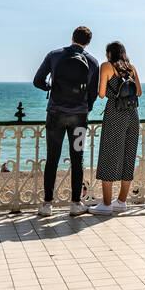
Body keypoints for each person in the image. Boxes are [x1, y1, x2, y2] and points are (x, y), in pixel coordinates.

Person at [33, 26, 99, 217]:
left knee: (52, 158)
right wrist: (86, 108)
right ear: (88, 42)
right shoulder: (93, 62)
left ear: (72, 38)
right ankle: (76, 204)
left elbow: (37, 81)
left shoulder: (54, 55)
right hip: (79, 118)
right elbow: (93, 93)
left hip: (55, 115)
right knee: (77, 159)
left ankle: (47, 205)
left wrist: (52, 89)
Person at [89, 41, 142, 215]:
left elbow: (102, 94)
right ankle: (121, 201)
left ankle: (105, 204)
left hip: (115, 114)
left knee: (109, 156)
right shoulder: (131, 67)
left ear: (109, 54)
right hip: (132, 115)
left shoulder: (106, 66)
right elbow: (139, 92)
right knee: (128, 156)